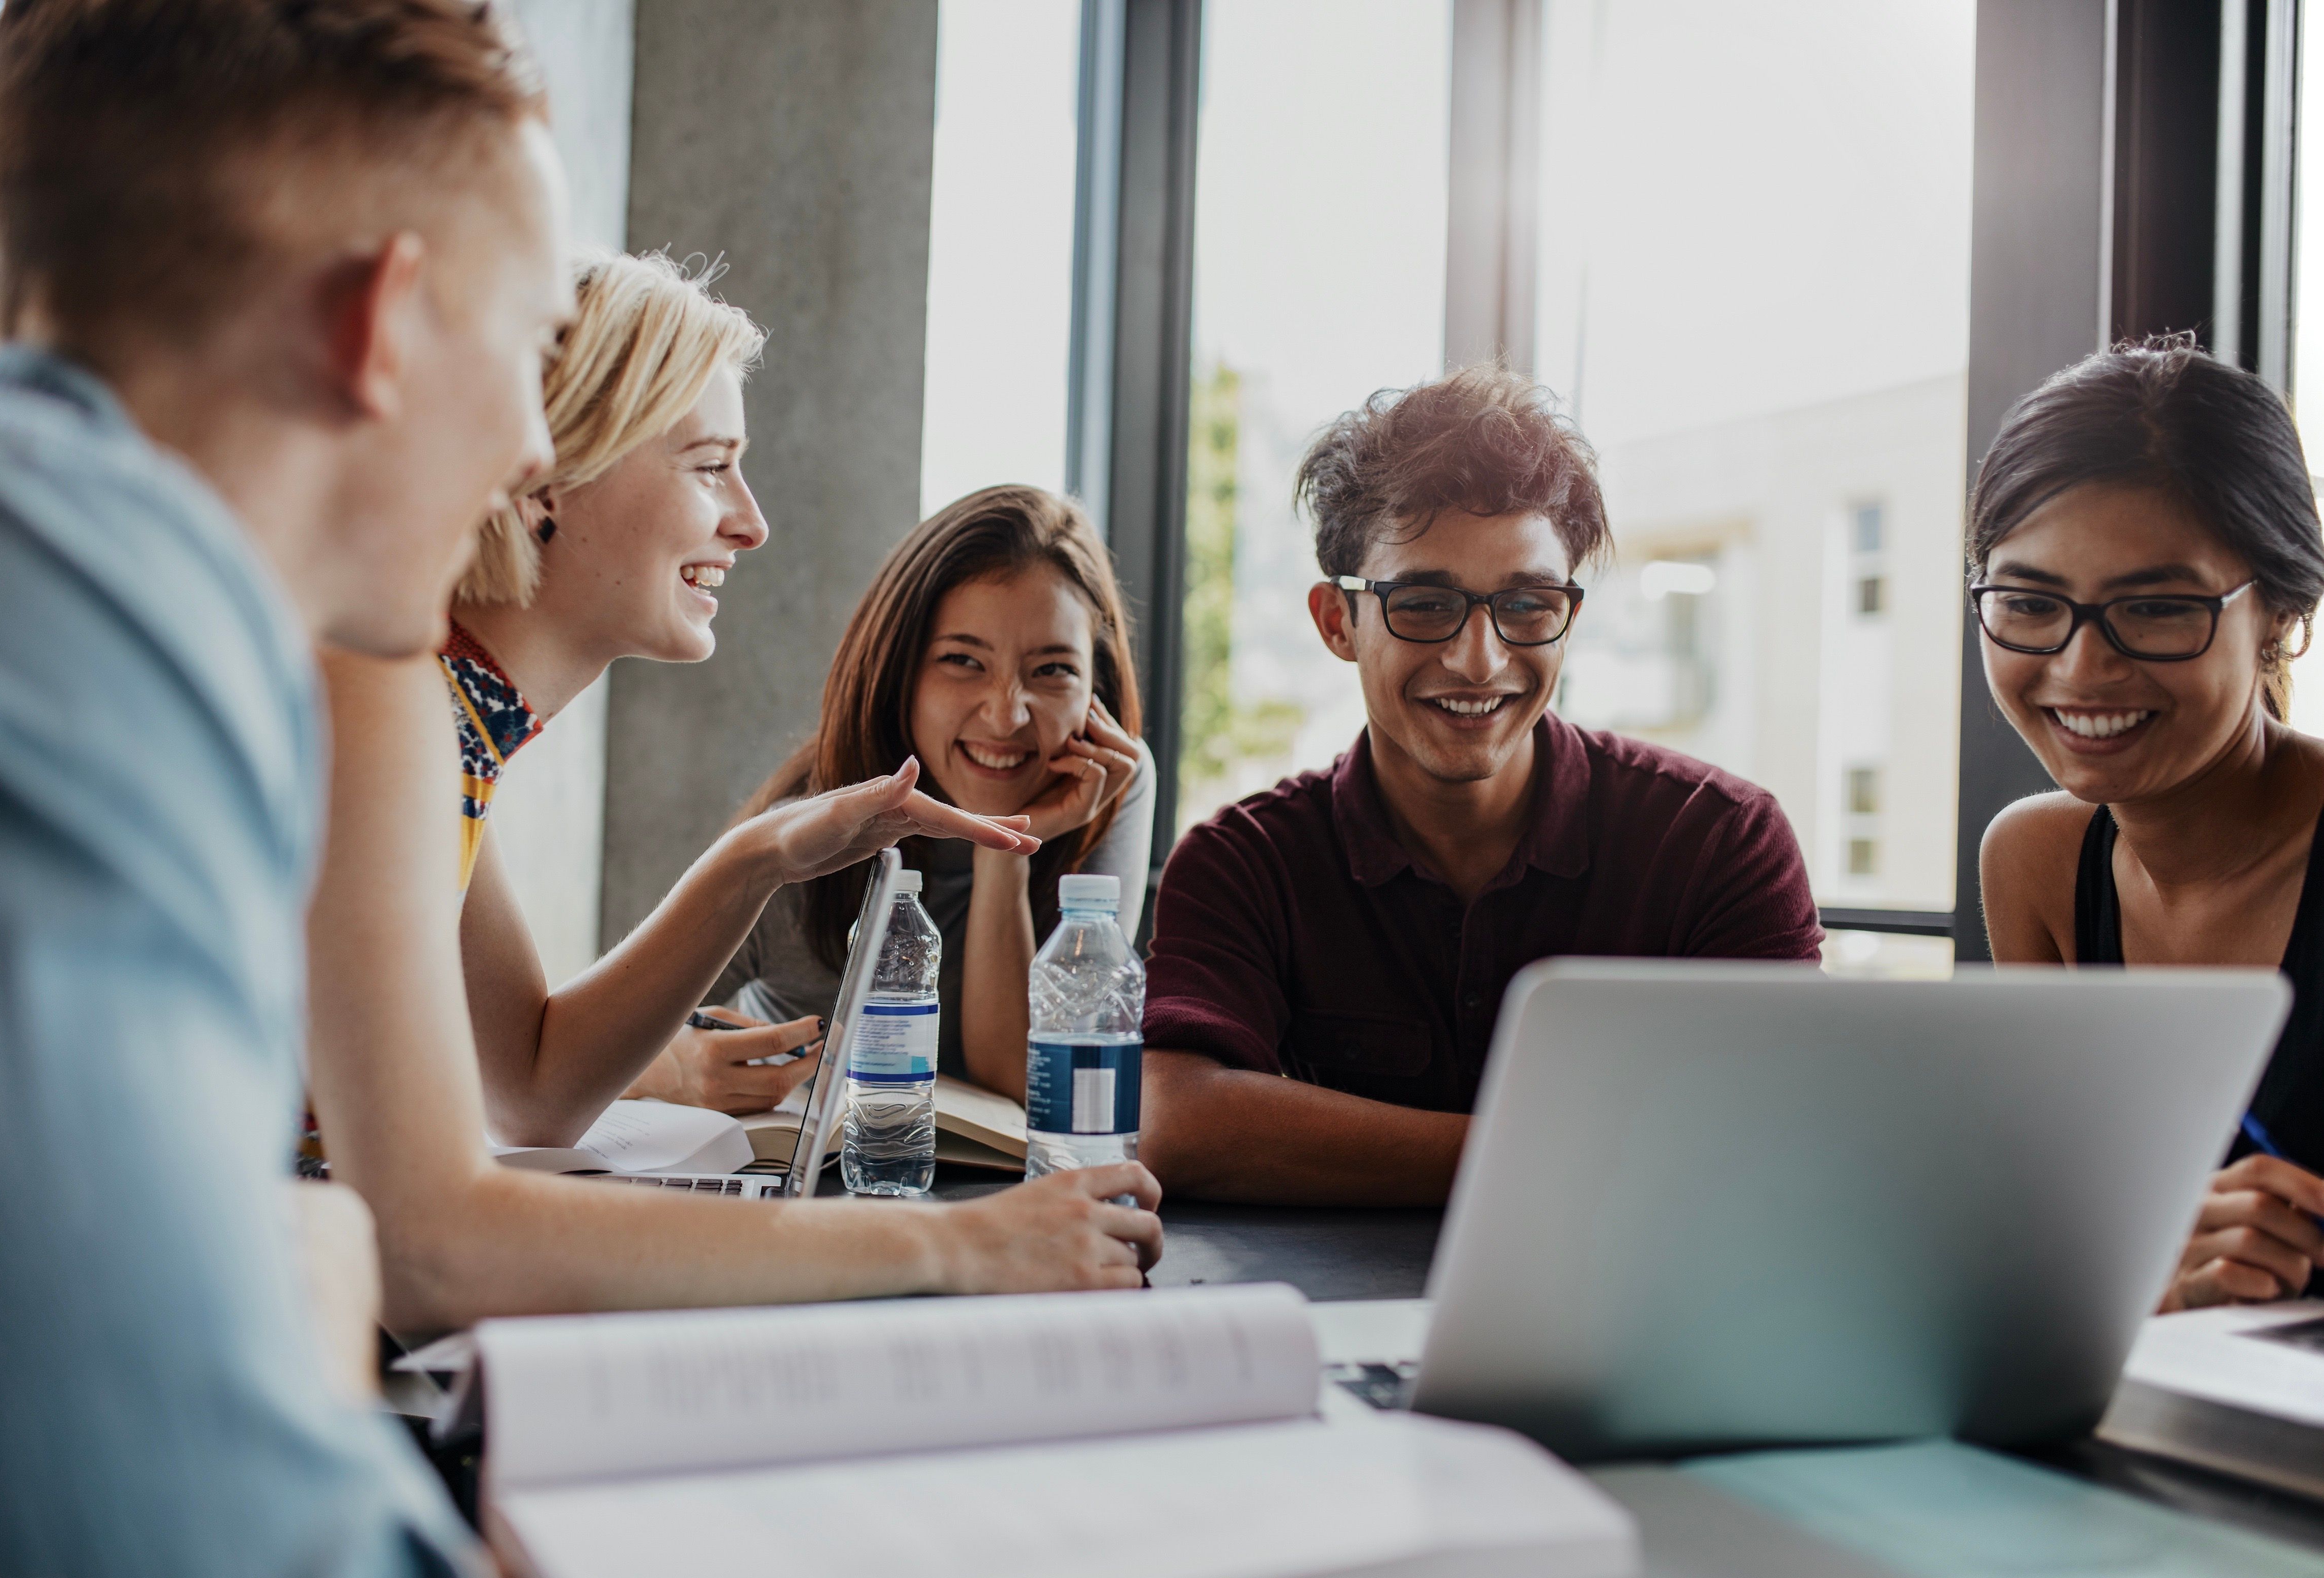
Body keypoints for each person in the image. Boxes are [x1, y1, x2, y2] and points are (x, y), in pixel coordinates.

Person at [0, 0, 571, 1578]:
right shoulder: (89, 619)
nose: (539, 439)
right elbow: (166, 1534)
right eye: (534, 345)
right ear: (385, 325)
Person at [307, 254, 1161, 1335]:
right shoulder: (387, 710)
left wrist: (758, 855)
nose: (751, 523)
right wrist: (956, 1241)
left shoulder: (452, 732)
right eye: (711, 465)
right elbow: (434, 1245)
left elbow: (531, 1085)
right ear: (544, 477)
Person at [1137, 364, 1823, 1207]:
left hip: (1627, 1327)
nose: (1478, 658)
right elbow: (1174, 1117)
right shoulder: (1244, 861)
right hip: (1326, 1323)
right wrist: (1583, 1158)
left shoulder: (1718, 840)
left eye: (1526, 604)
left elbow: (1771, 1140)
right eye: (1423, 603)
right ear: (1334, 621)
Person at [1975, 338, 2324, 1312]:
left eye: (2158, 607)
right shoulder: (2034, 860)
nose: (2081, 669)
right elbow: (2062, 1223)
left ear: (2282, 616)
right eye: (2028, 603)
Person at [717, 484, 1153, 1103]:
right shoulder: (803, 835)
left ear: (1096, 689)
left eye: (1053, 669)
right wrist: (675, 1069)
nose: (1007, 716)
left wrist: (1004, 848)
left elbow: (1028, 1079)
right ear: (900, 672)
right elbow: (614, 1041)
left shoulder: (1110, 780)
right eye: (963, 660)